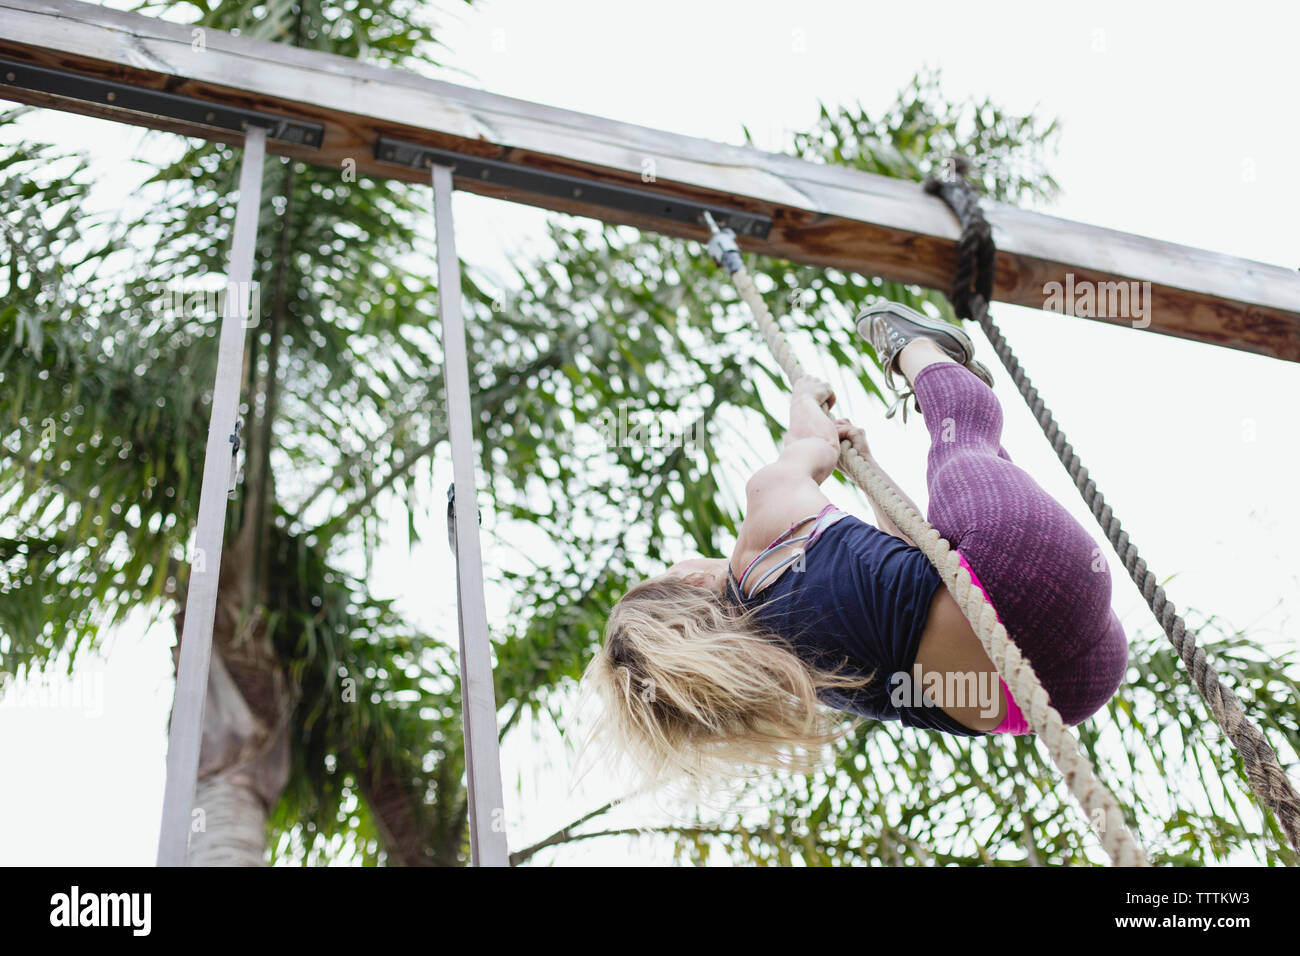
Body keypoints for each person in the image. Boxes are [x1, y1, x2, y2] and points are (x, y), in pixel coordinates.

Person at [582, 300, 1128, 791]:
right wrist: (805, 398)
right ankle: (918, 349)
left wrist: (875, 480)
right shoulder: (758, 539)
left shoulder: (800, 679)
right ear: (691, 584)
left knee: (969, 524)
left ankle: (952, 381)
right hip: (1023, 568)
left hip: (1065, 690)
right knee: (960, 449)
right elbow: (810, 443)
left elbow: (915, 583)